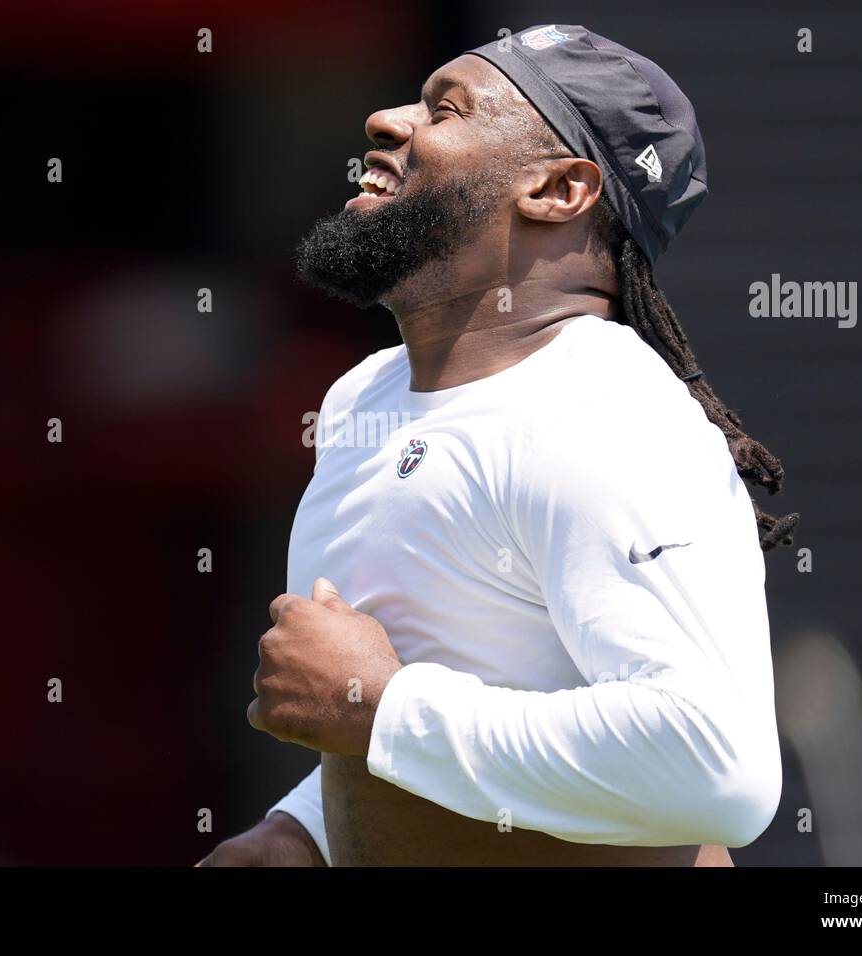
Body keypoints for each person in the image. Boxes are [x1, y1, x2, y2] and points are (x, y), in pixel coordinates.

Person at [199, 23, 797, 867]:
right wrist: (306, 831)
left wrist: (381, 708)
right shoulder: (364, 397)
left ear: (558, 189)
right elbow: (493, 674)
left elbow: (716, 767)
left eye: (445, 110)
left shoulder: (607, 414)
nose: (384, 119)